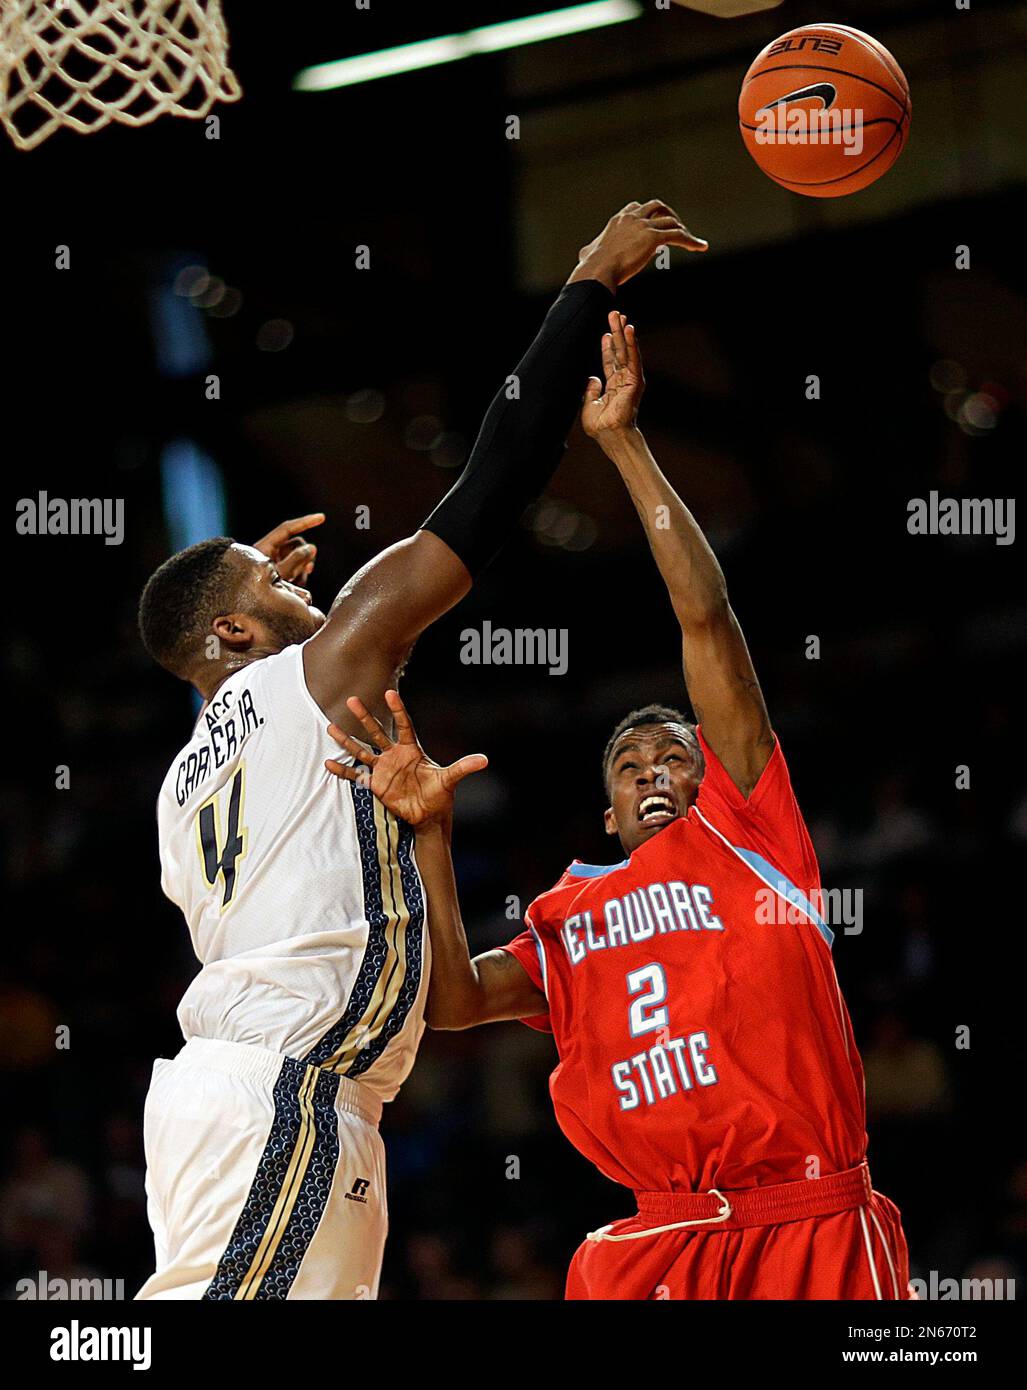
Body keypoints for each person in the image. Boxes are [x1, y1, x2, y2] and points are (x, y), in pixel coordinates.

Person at [133, 203, 706, 1300]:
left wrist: (243, 596)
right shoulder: (318, 671)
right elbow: (485, 490)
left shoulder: (178, 783)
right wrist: (586, 284)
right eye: (277, 587)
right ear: (238, 634)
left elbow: (232, 697)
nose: (304, 584)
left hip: (262, 1094)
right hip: (284, 1089)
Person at [324, 314, 913, 1301]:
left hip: (805, 1219)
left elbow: (702, 615)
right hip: (656, 1240)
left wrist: (625, 445)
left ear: (711, 775)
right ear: (605, 815)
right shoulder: (568, 916)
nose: (649, 768)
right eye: (627, 761)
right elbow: (456, 1000)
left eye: (672, 755)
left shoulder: (749, 832)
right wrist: (427, 833)